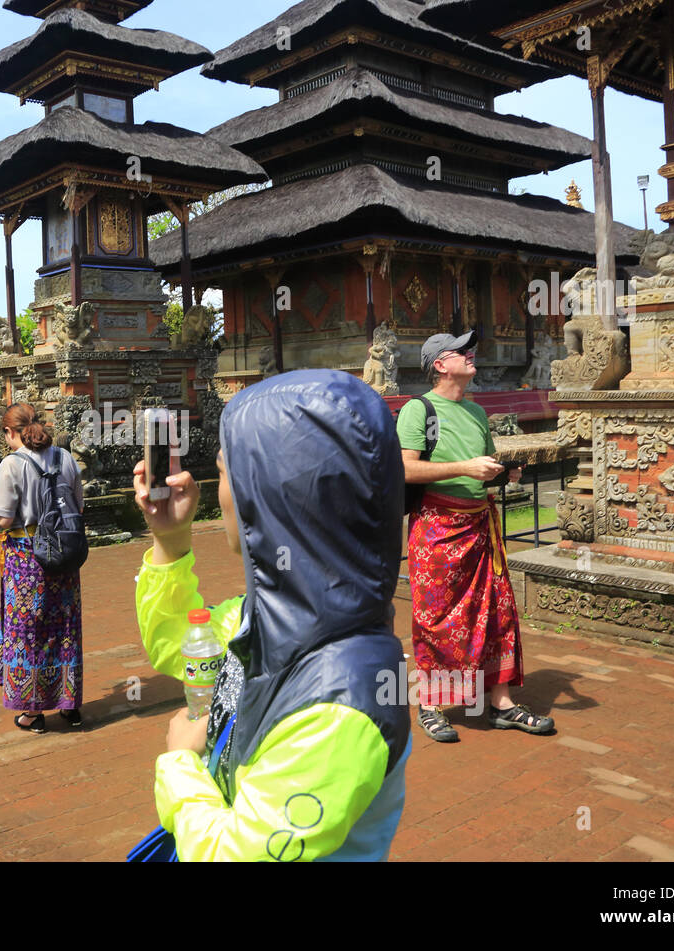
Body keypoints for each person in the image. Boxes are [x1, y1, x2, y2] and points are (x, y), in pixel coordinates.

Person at [134, 370, 411, 861]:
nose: (215, 491)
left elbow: (233, 855)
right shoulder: (264, 617)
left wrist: (178, 763)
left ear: (267, 496)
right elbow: (179, 644)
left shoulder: (342, 703)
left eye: (223, 472)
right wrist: (171, 541)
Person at [397, 331, 554, 742]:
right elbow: (404, 469)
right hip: (437, 526)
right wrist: (464, 468)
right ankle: (430, 704)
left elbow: (481, 466)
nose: (470, 356)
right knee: (438, 616)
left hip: (480, 523)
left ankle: (501, 703)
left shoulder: (478, 413)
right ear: (439, 365)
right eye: (460, 352)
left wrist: (503, 473)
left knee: (496, 611)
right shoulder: (418, 410)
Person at [0, 403, 84, 733]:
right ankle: (70, 705)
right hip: (65, 555)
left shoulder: (12, 464)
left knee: (27, 633)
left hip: (26, 556)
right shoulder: (65, 457)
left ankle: (32, 712)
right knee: (64, 629)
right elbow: (78, 506)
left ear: (11, 432)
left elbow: (2, 517)